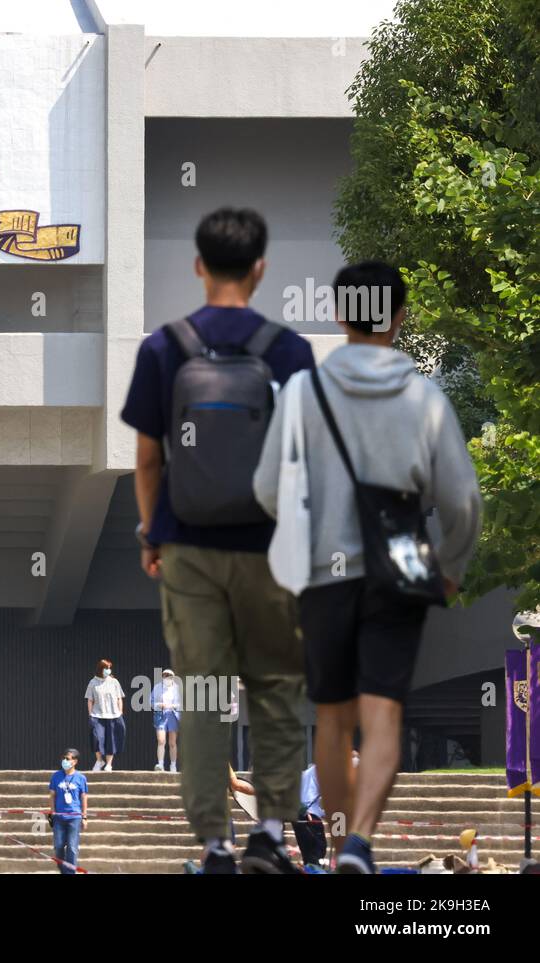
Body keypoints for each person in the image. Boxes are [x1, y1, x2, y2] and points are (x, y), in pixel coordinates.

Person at [254, 261, 481, 873]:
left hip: (325, 577)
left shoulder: (302, 392)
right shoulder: (424, 396)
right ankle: (359, 844)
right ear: (400, 318)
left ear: (337, 313)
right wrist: (452, 567)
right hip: (399, 567)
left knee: (331, 719)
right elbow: (464, 501)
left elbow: (268, 489)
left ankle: (334, 845)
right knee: (382, 714)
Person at [121, 208, 316, 874]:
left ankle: (213, 842)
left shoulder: (163, 347)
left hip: (189, 546)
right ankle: (268, 828)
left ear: (198, 266)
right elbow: (305, 457)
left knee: (203, 692)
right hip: (269, 544)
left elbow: (148, 459)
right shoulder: (289, 351)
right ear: (260, 269)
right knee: (277, 686)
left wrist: (154, 533)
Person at [48, 748, 88, 874]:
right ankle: (63, 870)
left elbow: (83, 797)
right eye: (64, 758)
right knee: (59, 846)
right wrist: (52, 813)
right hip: (59, 817)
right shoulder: (56, 776)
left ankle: (70, 872)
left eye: (68, 759)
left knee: (72, 847)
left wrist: (84, 816)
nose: (64, 761)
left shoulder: (81, 778)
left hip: (74, 817)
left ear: (75, 761)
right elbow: (52, 796)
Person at [85, 659, 126, 771]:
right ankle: (99, 760)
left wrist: (120, 711)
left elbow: (119, 698)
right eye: (106, 668)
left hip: (113, 715)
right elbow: (90, 700)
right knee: (96, 738)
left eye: (109, 668)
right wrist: (91, 715)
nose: (108, 670)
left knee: (111, 740)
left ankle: (109, 764)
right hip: (97, 715)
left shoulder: (114, 682)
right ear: (100, 669)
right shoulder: (93, 682)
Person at [150, 669, 182, 772]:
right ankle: (160, 764)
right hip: (160, 715)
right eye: (165, 675)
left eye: (169, 675)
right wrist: (159, 705)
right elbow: (151, 702)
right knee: (161, 740)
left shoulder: (177, 689)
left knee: (172, 742)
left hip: (173, 715)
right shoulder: (157, 687)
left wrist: (172, 706)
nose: (167, 677)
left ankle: (173, 765)